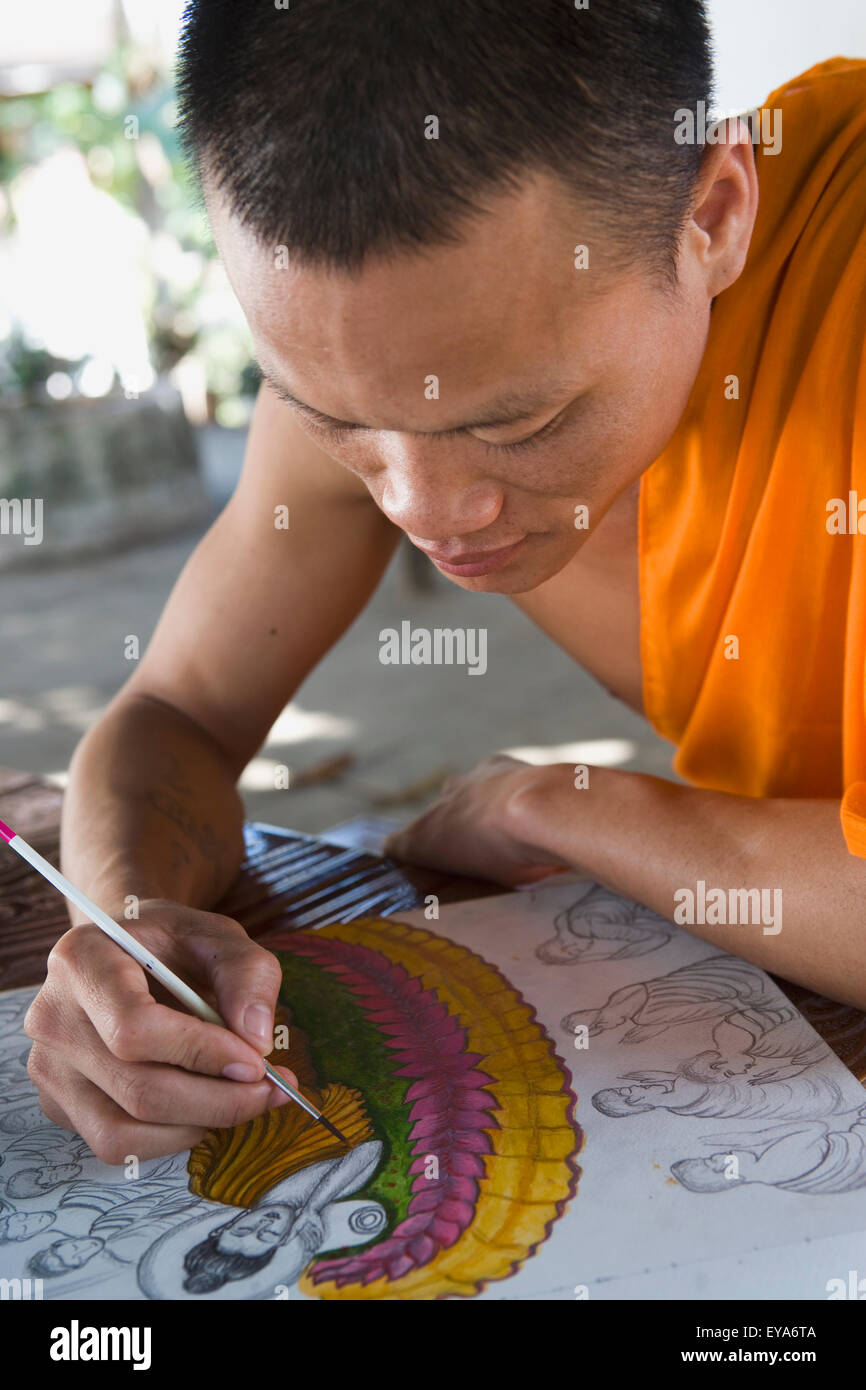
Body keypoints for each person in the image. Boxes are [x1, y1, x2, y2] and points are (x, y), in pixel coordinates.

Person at [20, 1, 866, 1161]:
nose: (420, 506)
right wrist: (125, 934)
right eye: (335, 420)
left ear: (712, 217)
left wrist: (562, 802)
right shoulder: (393, 353)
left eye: (517, 424)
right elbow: (178, 710)